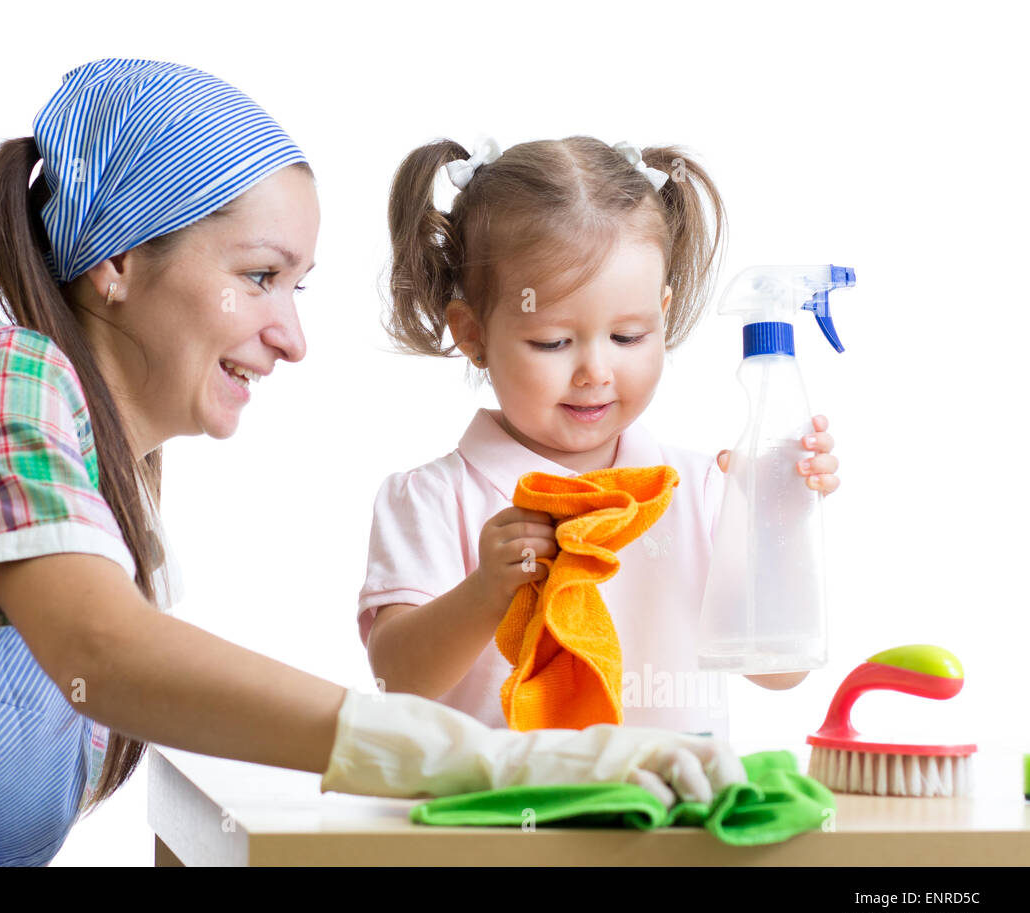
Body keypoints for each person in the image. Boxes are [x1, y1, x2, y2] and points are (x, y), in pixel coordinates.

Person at [0, 60, 747, 867]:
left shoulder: (121, 511)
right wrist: (487, 757)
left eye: (297, 286)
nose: (292, 337)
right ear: (116, 262)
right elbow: (109, 657)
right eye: (259, 276)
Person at [360, 136, 842, 733]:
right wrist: (485, 591)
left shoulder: (693, 490)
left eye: (629, 336)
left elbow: (779, 670)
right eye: (553, 342)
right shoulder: (434, 500)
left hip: (665, 816)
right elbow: (394, 681)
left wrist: (775, 518)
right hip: (496, 818)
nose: (595, 372)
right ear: (473, 333)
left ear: (662, 315)